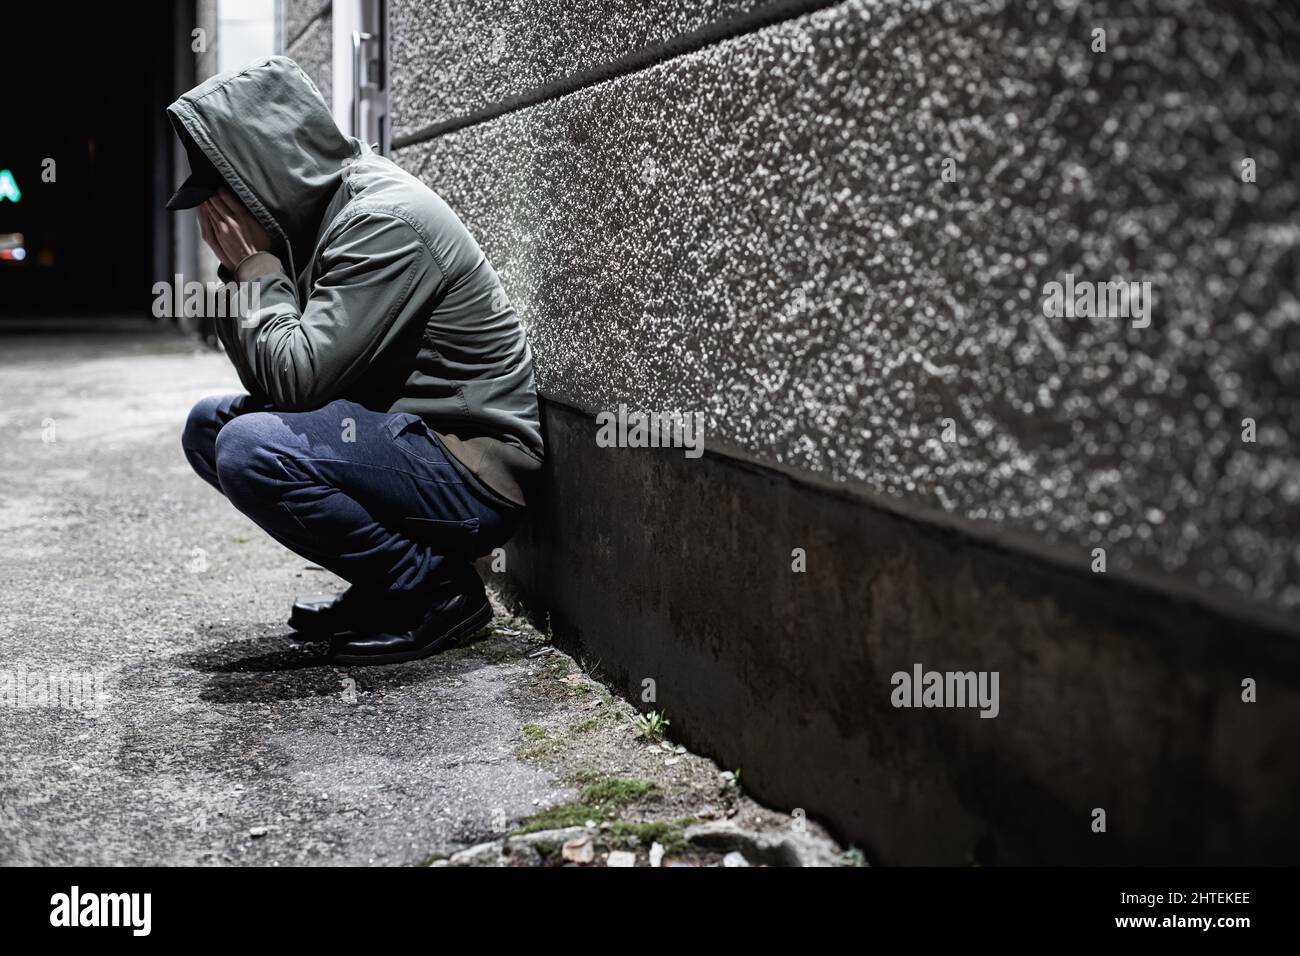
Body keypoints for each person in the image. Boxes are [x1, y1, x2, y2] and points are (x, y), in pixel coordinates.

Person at [170, 56, 543, 665]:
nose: (218, 217)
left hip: (469, 466)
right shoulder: (311, 217)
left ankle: (433, 591)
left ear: (262, 170)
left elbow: (294, 382)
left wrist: (255, 269)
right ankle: (384, 584)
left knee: (248, 447)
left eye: (222, 194)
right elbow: (272, 373)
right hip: (402, 438)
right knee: (210, 427)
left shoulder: (379, 221)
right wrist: (245, 274)